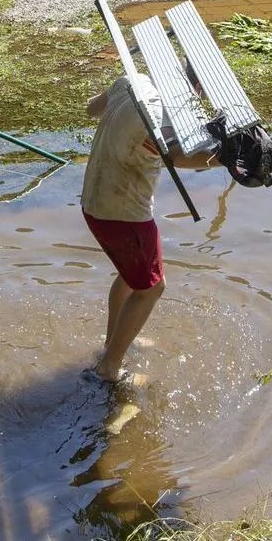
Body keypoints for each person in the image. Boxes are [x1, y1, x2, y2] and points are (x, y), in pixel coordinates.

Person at [81, 75, 216, 384]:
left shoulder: (132, 80)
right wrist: (224, 160)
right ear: (196, 89)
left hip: (94, 202)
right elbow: (177, 157)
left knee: (130, 279)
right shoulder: (160, 117)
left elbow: (92, 109)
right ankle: (109, 368)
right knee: (153, 288)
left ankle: (112, 343)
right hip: (123, 214)